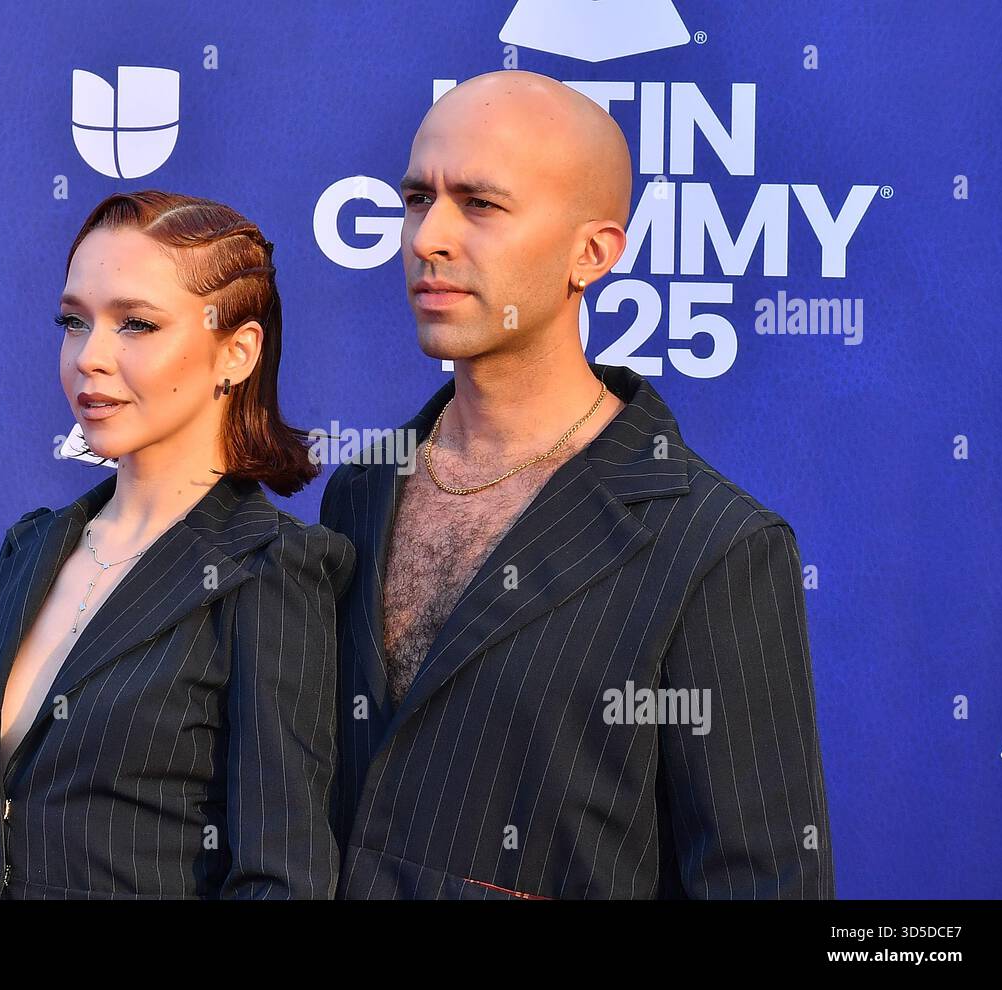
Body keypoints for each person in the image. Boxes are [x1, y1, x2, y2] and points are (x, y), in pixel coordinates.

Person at [320, 70, 835, 898]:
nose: (428, 237)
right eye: (419, 199)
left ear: (591, 253)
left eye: (480, 205)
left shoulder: (713, 547)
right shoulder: (360, 492)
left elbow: (766, 882)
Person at [0, 190, 354, 899]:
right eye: (73, 322)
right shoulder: (34, 548)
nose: (90, 358)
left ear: (236, 351)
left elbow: (284, 879)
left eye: (136, 324)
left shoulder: (271, 570)